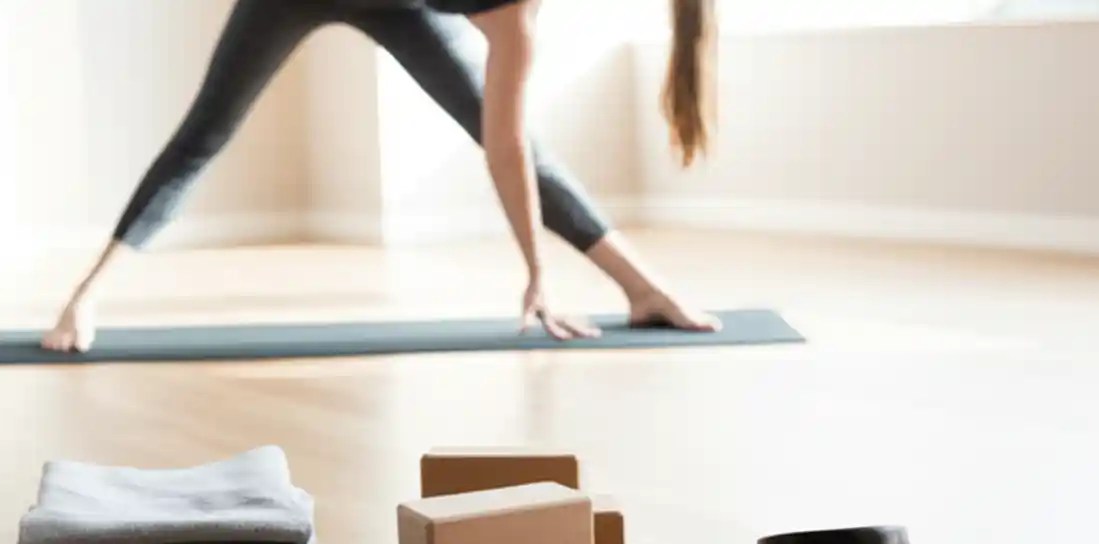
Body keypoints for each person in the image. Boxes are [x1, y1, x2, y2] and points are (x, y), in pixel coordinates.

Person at [42, 0, 721, 352]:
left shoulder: (520, 12)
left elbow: (506, 143)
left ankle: (643, 289)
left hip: (397, 5)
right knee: (205, 134)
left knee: (508, 133)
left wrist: (537, 274)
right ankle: (86, 295)